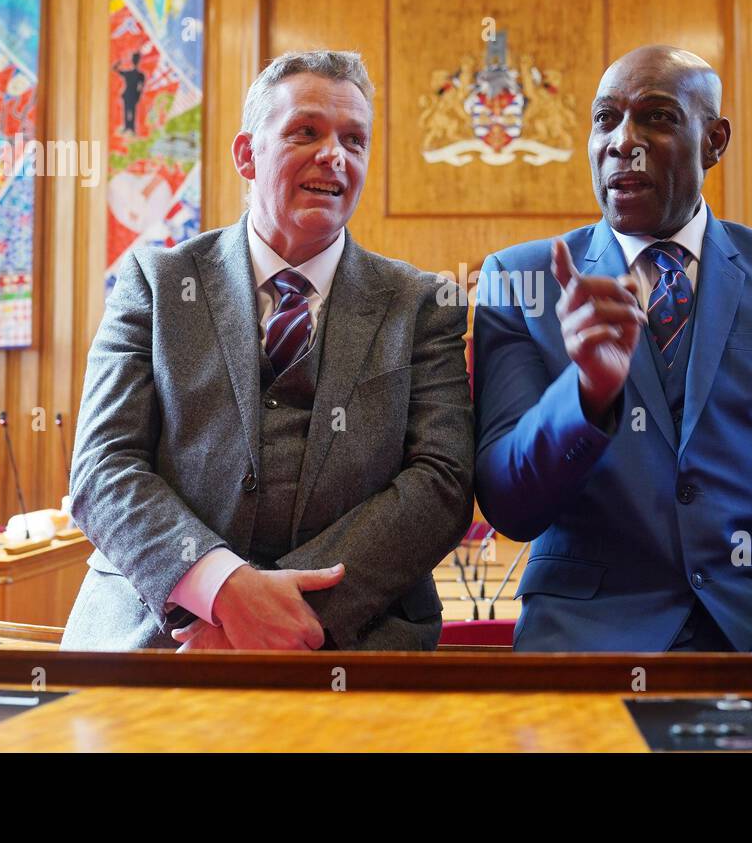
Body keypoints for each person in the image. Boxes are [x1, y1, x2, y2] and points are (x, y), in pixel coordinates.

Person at [473, 44, 752, 652]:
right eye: (604, 118)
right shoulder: (521, 280)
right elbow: (509, 506)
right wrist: (584, 399)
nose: (622, 141)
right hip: (586, 653)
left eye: (657, 117)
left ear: (715, 141)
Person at [62, 50, 474, 652]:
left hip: (355, 639)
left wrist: (275, 615)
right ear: (246, 154)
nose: (335, 154)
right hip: (157, 634)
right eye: (306, 131)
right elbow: (102, 467)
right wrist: (222, 590)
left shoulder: (421, 303)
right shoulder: (155, 282)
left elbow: (442, 482)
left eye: (354, 140)